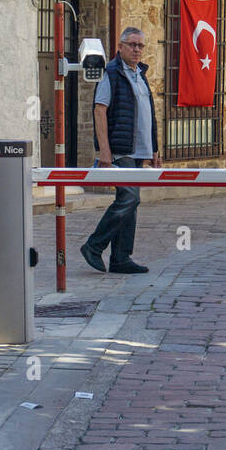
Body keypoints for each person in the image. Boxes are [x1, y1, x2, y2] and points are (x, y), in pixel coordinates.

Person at [80, 27, 162, 274]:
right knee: (129, 197)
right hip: (121, 150)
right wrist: (104, 151)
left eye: (140, 46)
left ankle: (120, 258)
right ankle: (94, 245)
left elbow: (150, 114)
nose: (137, 50)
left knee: (130, 202)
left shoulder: (141, 74)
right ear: (121, 47)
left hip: (139, 151)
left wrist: (154, 150)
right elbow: (99, 110)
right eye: (132, 45)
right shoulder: (112, 73)